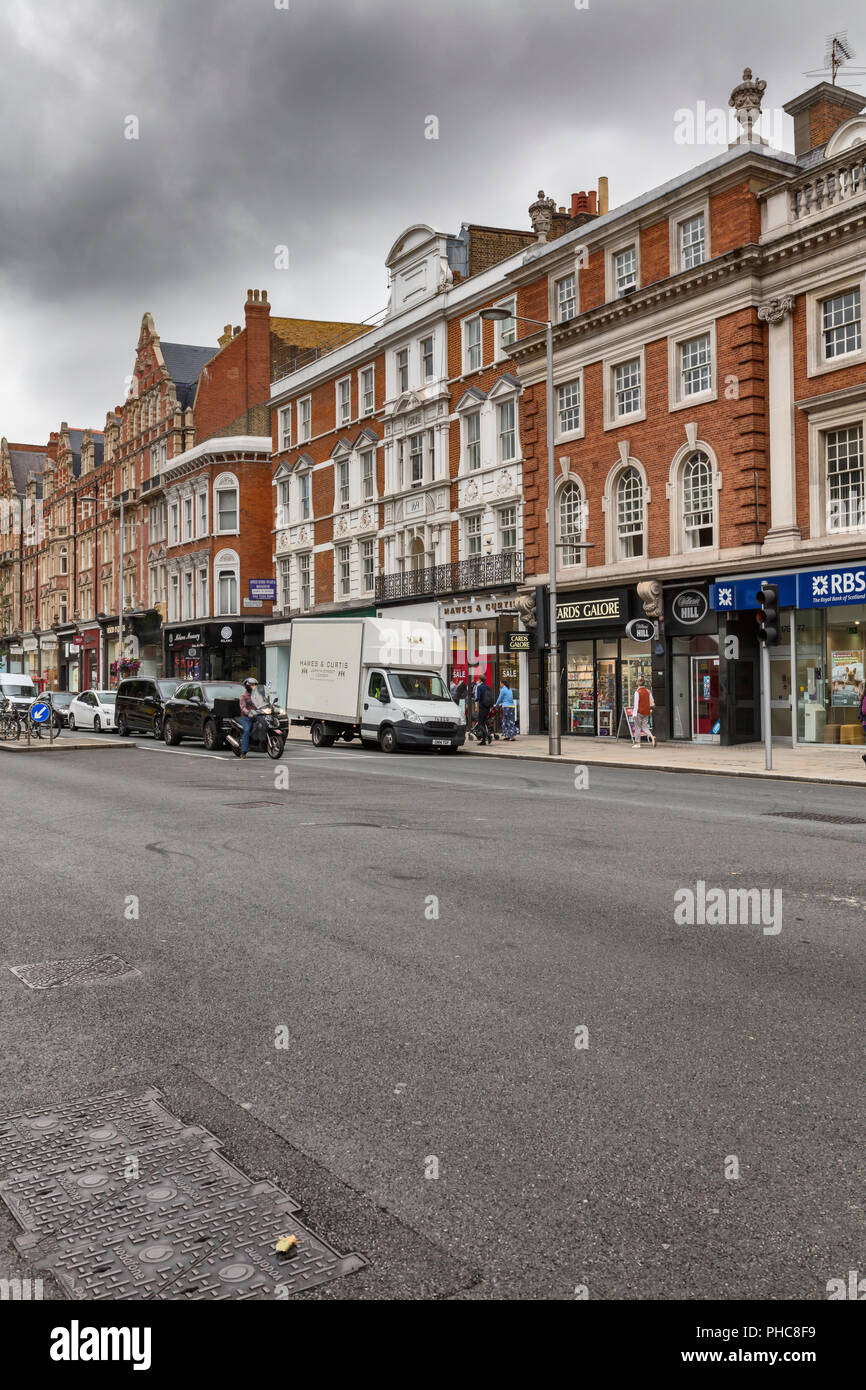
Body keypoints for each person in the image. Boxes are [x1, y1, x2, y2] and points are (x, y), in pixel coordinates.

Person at [631, 677, 656, 747]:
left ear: (638, 683)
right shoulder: (648, 691)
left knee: (637, 727)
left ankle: (637, 743)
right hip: (646, 711)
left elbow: (636, 704)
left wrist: (634, 714)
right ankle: (652, 737)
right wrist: (651, 708)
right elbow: (652, 702)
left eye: (637, 681)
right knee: (645, 727)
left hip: (639, 712)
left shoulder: (637, 692)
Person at [239, 677, 259, 757]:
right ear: (247, 686)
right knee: (247, 731)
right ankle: (243, 752)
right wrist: (248, 712)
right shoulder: (243, 696)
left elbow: (263, 703)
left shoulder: (258, 695)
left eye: (254, 685)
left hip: (257, 715)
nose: (253, 686)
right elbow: (242, 707)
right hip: (247, 717)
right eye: (251, 685)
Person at [473, 674, 494, 745]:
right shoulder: (488, 687)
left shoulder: (479, 687)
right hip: (487, 707)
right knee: (483, 723)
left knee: (480, 724)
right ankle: (484, 741)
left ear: (480, 680)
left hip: (482, 707)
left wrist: (475, 699)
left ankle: (488, 735)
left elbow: (478, 697)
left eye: (478, 679)